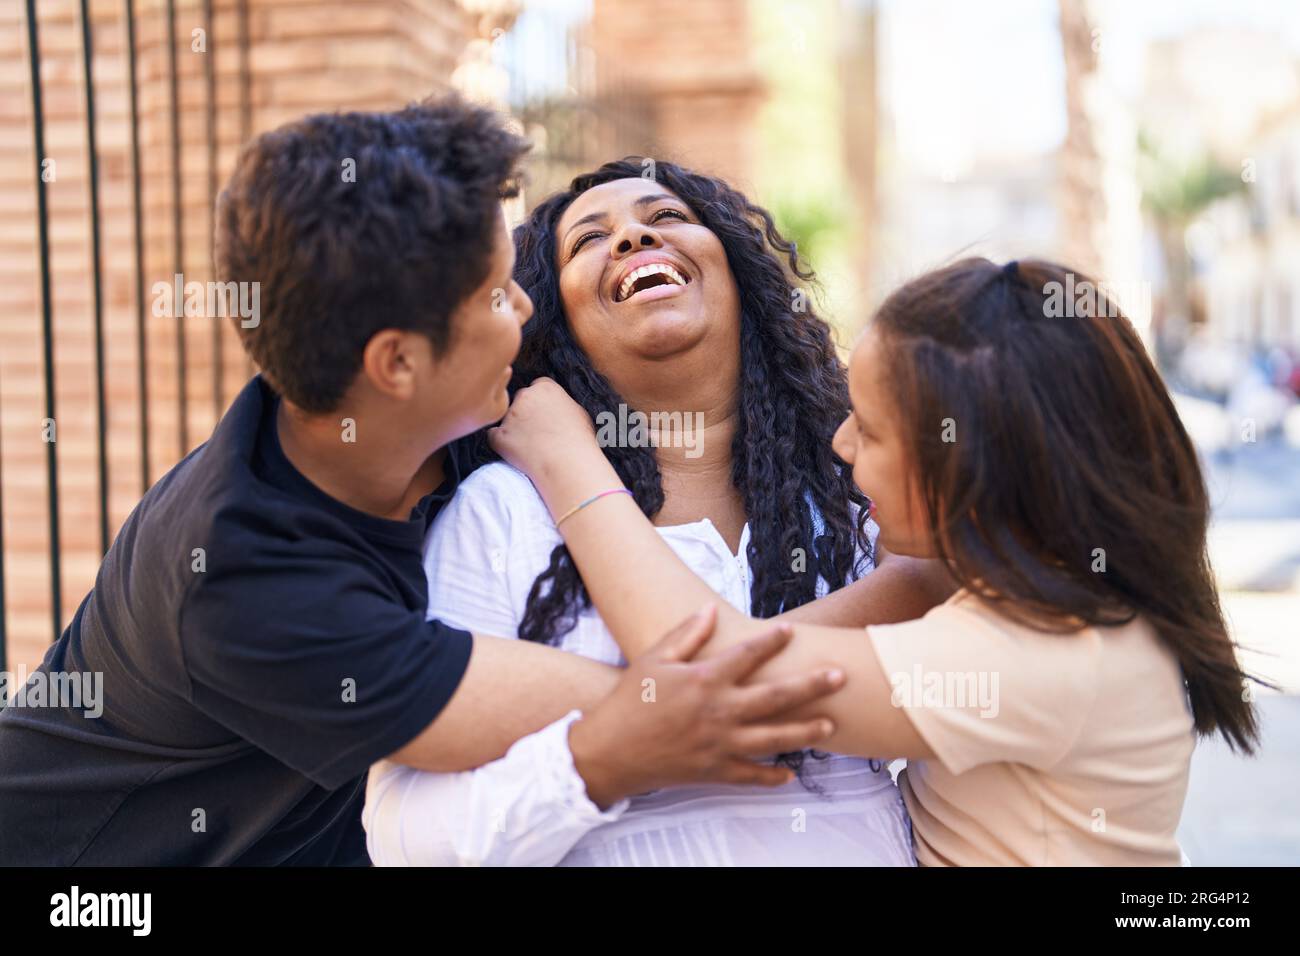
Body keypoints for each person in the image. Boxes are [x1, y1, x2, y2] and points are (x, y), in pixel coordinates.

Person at [0, 100, 847, 866]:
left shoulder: (429, 431)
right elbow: (689, 701)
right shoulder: (254, 584)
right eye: (493, 294)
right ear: (398, 363)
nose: (523, 307)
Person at [488, 255, 1263, 865]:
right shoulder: (1041, 595)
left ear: (972, 463)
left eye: (873, 429)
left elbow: (723, 673)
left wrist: (574, 467)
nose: (841, 443)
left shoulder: (1042, 646)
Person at [364, 160, 952, 866]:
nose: (634, 237)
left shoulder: (861, 500)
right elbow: (403, 835)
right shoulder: (503, 515)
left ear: (740, 274)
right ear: (555, 319)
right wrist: (598, 763)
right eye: (588, 240)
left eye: (666, 218)